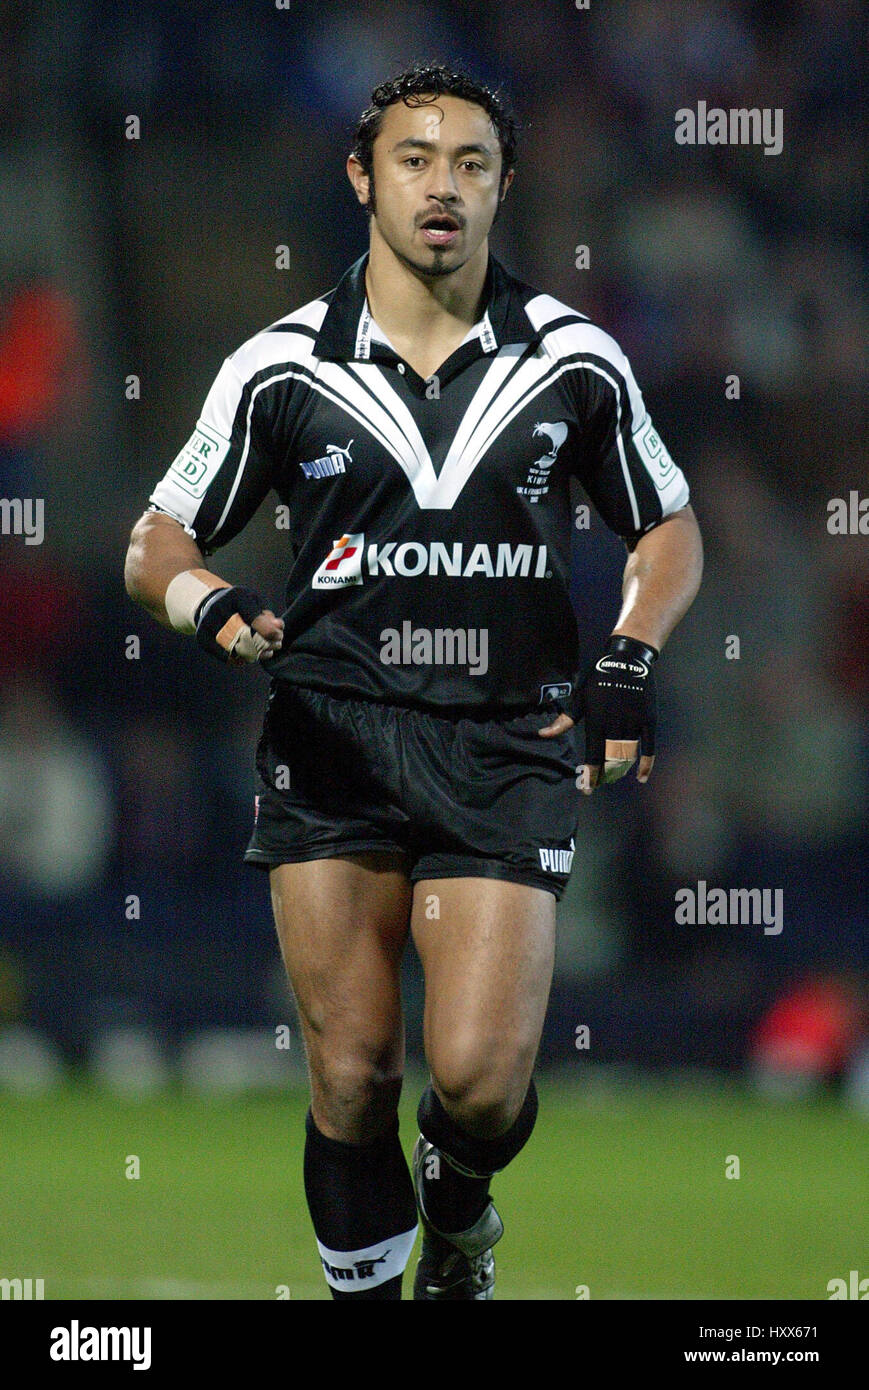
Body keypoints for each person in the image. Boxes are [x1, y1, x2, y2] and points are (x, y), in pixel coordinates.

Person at [124, 62, 703, 1301]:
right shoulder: (280, 368)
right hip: (331, 736)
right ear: (360, 178)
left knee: (481, 1084)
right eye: (413, 159)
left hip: (504, 741)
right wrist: (211, 602)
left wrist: (628, 654)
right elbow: (154, 543)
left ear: (504, 185)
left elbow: (668, 529)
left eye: (470, 163)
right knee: (349, 1074)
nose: (441, 185)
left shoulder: (572, 360)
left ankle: (460, 1216)